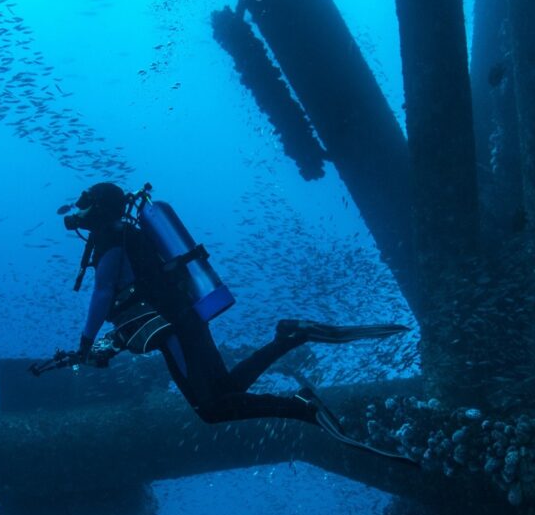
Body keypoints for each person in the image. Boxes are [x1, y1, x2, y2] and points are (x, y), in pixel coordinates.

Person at [57, 181, 414, 461]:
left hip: (172, 329)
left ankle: (302, 408)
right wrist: (111, 342)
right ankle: (289, 337)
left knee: (211, 408)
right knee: (226, 388)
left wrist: (85, 342)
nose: (79, 208)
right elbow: (136, 293)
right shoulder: (129, 234)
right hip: (186, 317)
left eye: (86, 201)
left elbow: (103, 292)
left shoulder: (110, 237)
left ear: (100, 207)